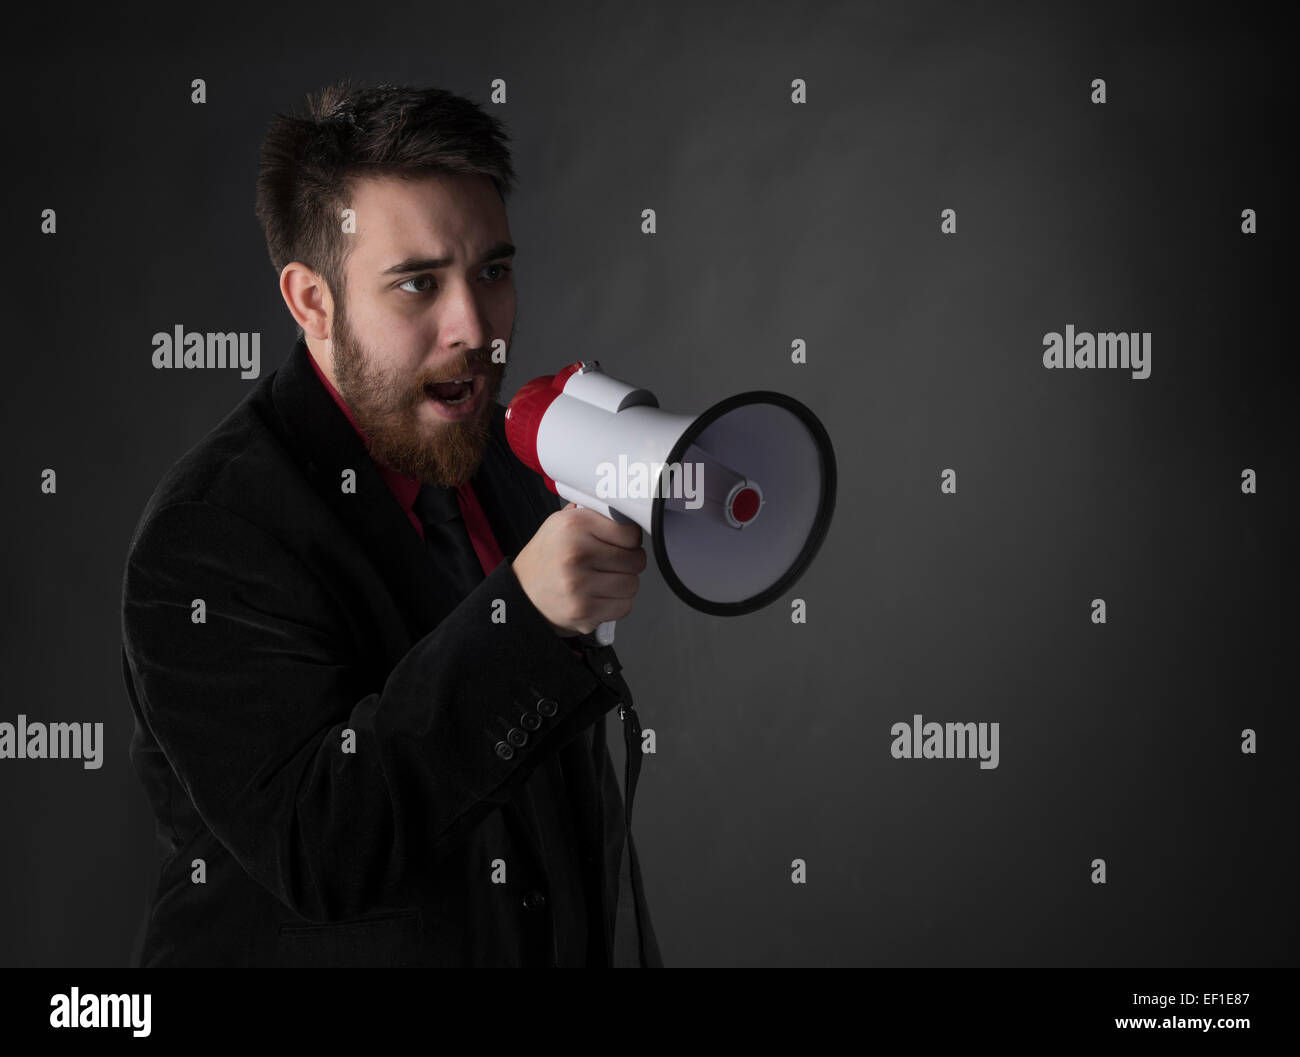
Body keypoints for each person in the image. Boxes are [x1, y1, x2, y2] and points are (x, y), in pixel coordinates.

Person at [120, 80, 662, 967]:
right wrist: (520, 618)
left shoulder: (496, 460)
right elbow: (324, 845)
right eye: (417, 283)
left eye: (493, 270)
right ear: (312, 301)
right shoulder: (212, 534)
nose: (476, 328)